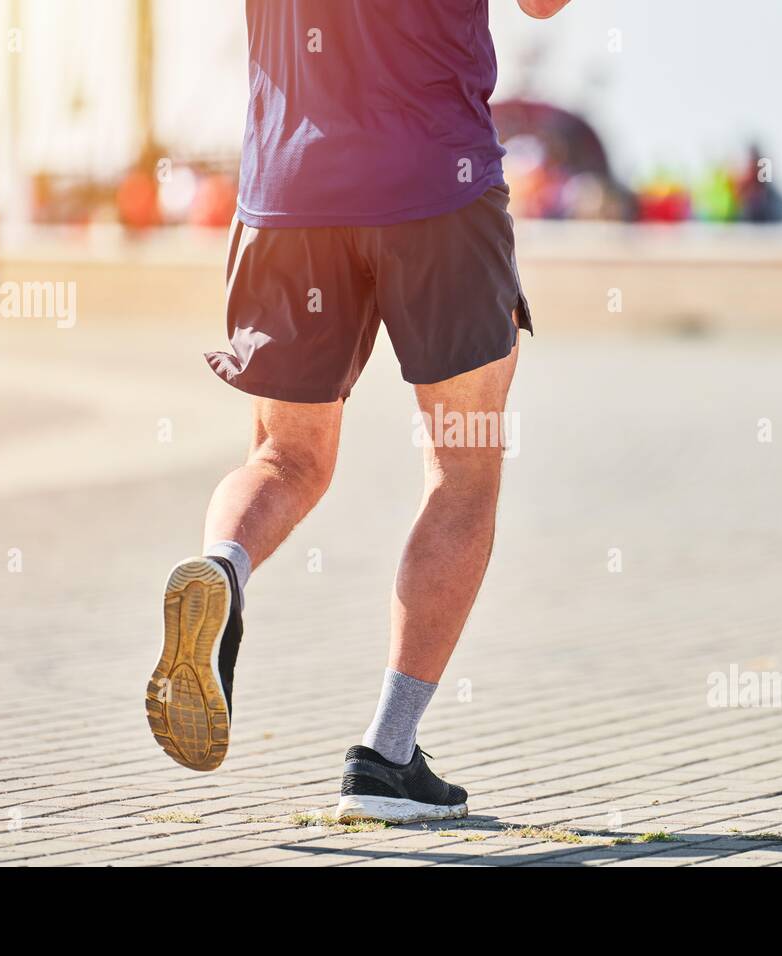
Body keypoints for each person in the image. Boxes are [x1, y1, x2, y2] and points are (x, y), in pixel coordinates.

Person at [145, 0, 572, 824]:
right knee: (462, 468)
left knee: (283, 456)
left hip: (286, 193)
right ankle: (386, 756)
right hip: (435, 189)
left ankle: (223, 571)